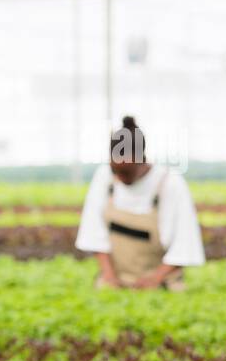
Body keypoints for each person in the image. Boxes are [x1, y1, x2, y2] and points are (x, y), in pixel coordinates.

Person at [75, 115, 205, 290]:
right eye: (116, 171)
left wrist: (155, 279)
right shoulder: (104, 176)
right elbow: (93, 231)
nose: (120, 178)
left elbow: (185, 242)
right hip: (116, 278)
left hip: (162, 281)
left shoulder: (169, 183)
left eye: (126, 172)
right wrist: (109, 275)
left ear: (142, 160)